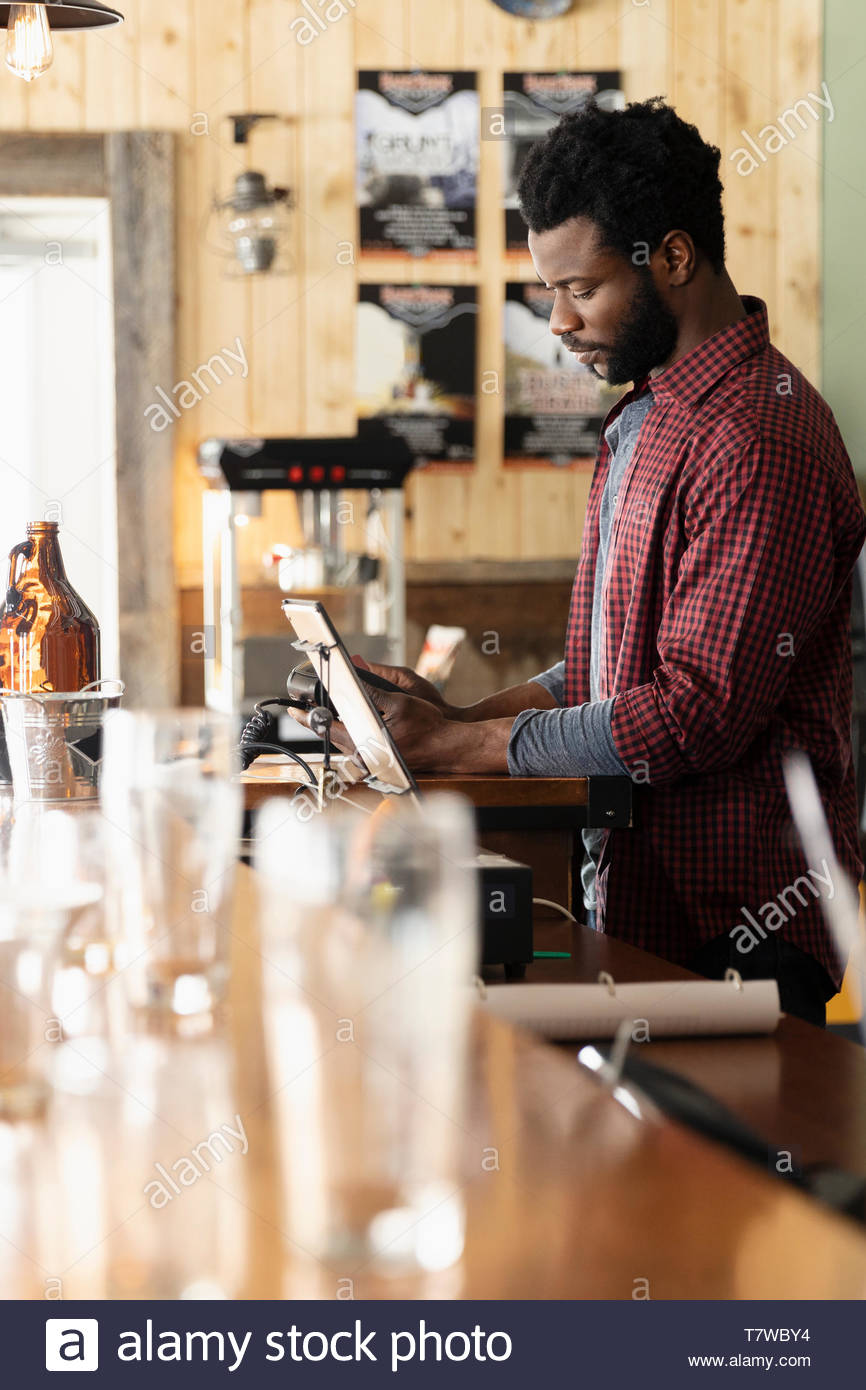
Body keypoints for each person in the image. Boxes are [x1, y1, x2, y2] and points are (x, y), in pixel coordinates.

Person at [334, 98, 866, 1025]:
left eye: (580, 289)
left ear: (673, 257)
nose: (559, 322)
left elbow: (691, 715)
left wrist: (462, 747)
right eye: (549, 292)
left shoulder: (760, 438)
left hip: (739, 927)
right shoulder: (648, 417)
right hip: (634, 898)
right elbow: (604, 670)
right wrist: (452, 715)